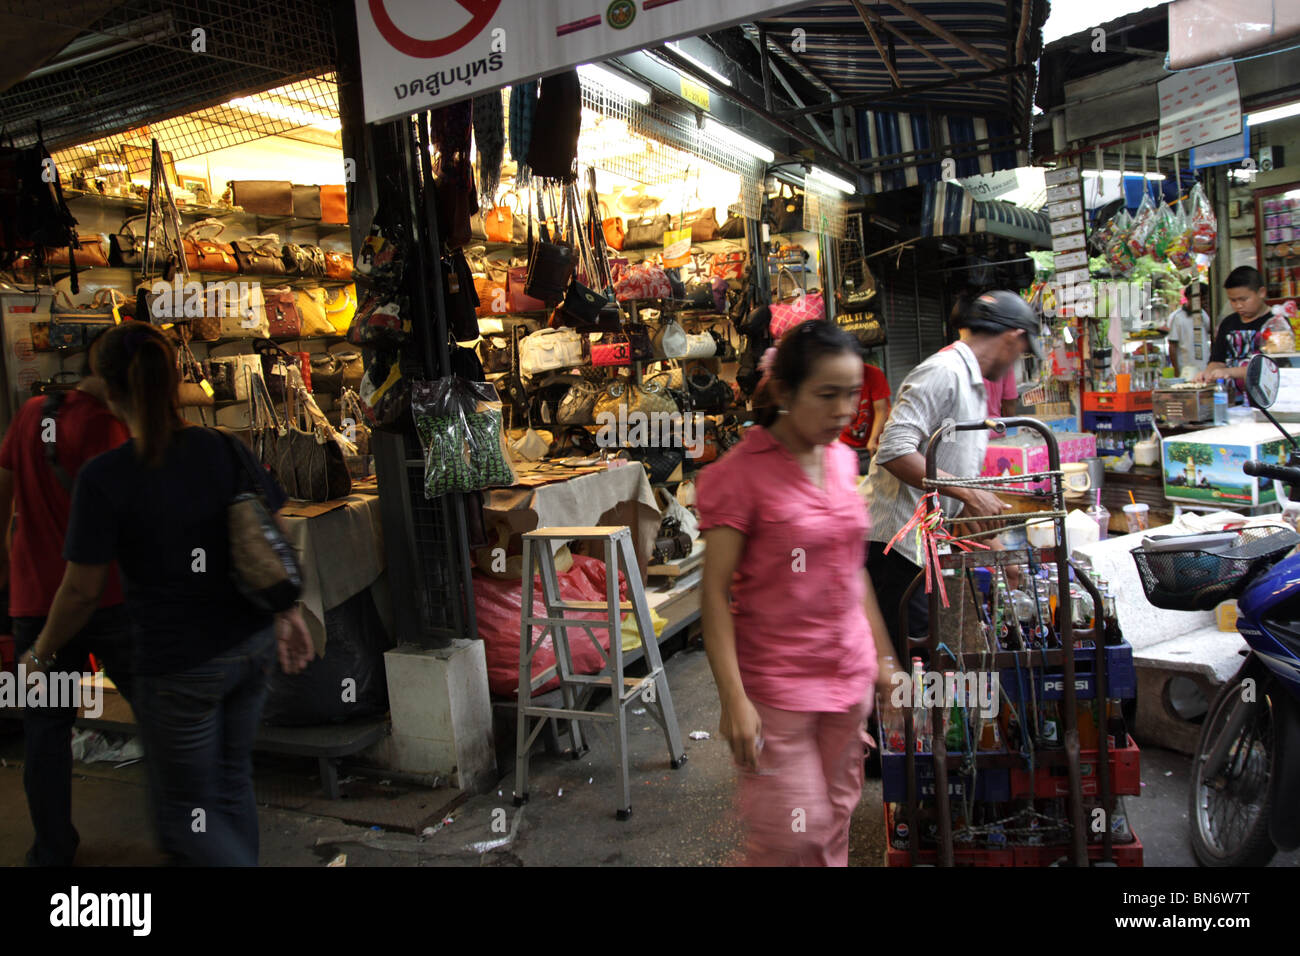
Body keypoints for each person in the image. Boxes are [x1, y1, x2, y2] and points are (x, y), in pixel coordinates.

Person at [23, 322, 315, 866]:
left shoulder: (106, 477)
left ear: (109, 391)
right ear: (176, 379)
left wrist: (40, 652)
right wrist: (288, 612)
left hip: (180, 665)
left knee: (185, 813)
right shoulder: (223, 448)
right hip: (248, 647)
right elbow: (270, 533)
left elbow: (82, 590)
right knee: (229, 785)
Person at [697, 320, 901, 866]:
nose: (843, 411)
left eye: (852, 395)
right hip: (778, 689)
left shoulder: (839, 459)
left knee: (833, 820)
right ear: (785, 392)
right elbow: (713, 596)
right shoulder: (738, 477)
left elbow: (851, 567)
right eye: (827, 395)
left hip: (848, 680)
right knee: (794, 834)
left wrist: (883, 661)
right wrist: (732, 699)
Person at [0, 336, 133, 866]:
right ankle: (190, 835)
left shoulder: (31, 414)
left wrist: (5, 566)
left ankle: (51, 851)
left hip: (35, 603)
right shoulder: (106, 426)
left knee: (45, 732)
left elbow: (3, 487)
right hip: (107, 600)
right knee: (159, 710)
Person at [866, 290, 1041, 658]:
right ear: (1012, 337)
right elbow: (894, 448)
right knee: (907, 660)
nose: (1015, 363)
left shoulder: (973, 380)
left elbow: (948, 484)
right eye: (1021, 351)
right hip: (894, 545)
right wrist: (970, 492)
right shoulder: (944, 371)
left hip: (919, 543)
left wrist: (998, 553)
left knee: (924, 653)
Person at [1197, 267, 1271, 391]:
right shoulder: (1228, 323)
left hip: (1264, 399)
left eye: (1243, 299)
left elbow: (1273, 367)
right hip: (1231, 400)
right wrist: (1208, 373)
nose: (1238, 305)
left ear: (1261, 293)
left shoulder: (1275, 323)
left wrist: (1230, 372)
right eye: (1232, 300)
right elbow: (1217, 360)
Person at [839, 360, 892, 475]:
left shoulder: (873, 374)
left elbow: (881, 410)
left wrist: (873, 440)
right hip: (847, 442)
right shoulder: (836, 376)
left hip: (873, 444)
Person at [1168, 282, 1212, 380]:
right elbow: (1172, 346)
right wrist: (1176, 370)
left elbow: (1211, 332)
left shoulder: (1203, 314)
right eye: (1200, 299)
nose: (1202, 302)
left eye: (1205, 299)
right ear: (1189, 298)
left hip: (1204, 367)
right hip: (1187, 369)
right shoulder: (1178, 317)